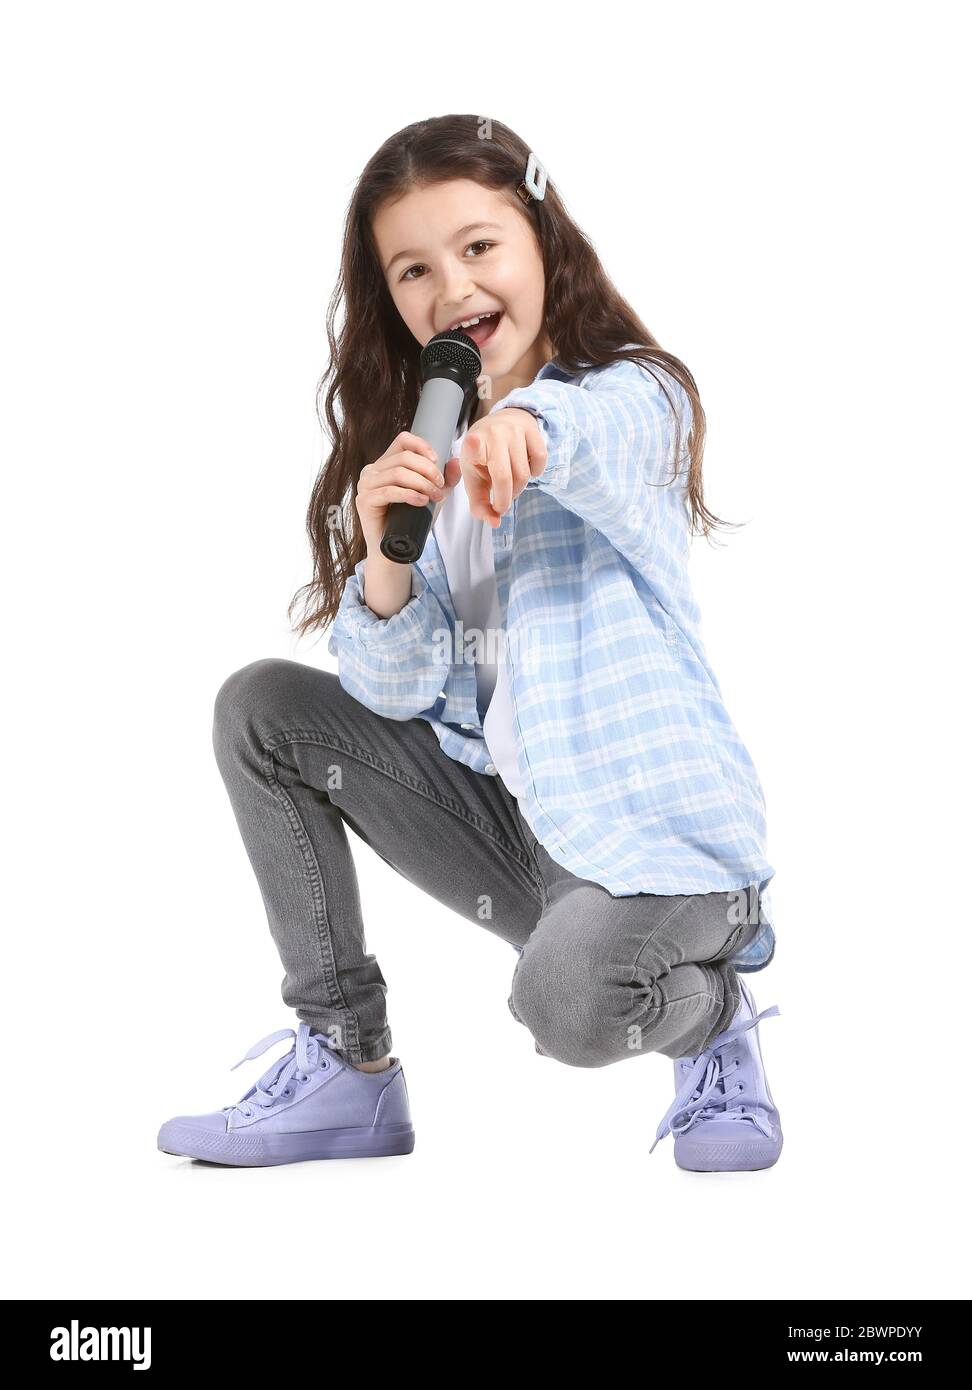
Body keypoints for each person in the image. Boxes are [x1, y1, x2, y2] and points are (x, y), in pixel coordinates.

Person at [158, 114, 783, 1173]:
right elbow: (400, 695)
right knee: (261, 708)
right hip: (528, 844)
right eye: (413, 269)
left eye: (479, 247)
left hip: (663, 851)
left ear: (542, 238)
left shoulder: (634, 396)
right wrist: (388, 559)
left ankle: (712, 1014)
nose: (450, 290)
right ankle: (348, 1067)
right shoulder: (432, 457)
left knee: (568, 1006)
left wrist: (528, 431)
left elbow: (603, 442)